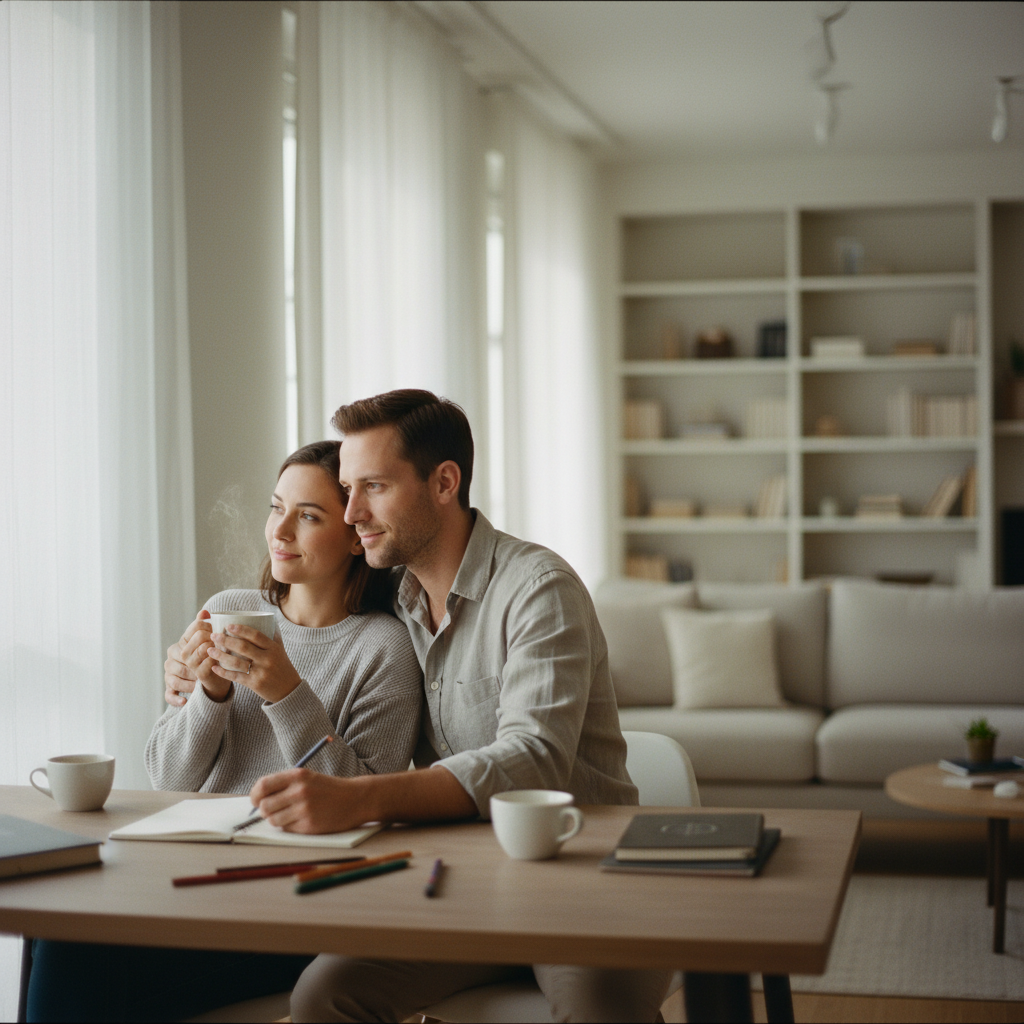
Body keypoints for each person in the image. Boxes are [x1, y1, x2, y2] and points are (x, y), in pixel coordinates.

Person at [245, 390, 673, 1023]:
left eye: (373, 488)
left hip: (580, 883)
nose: (351, 513)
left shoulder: (537, 589)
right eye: (346, 489)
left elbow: (532, 763)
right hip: (462, 884)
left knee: (601, 1013)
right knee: (324, 994)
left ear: (445, 482)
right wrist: (194, 663)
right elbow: (312, 620)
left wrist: (359, 799)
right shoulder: (395, 595)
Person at [26, 441, 423, 1024]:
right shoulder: (229, 608)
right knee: (56, 922)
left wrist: (286, 693)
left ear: (353, 534)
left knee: (77, 958)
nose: (280, 530)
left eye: (309, 516)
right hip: (194, 874)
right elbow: (169, 776)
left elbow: (365, 802)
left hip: (299, 899)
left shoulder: (381, 647)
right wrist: (210, 694)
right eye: (275, 506)